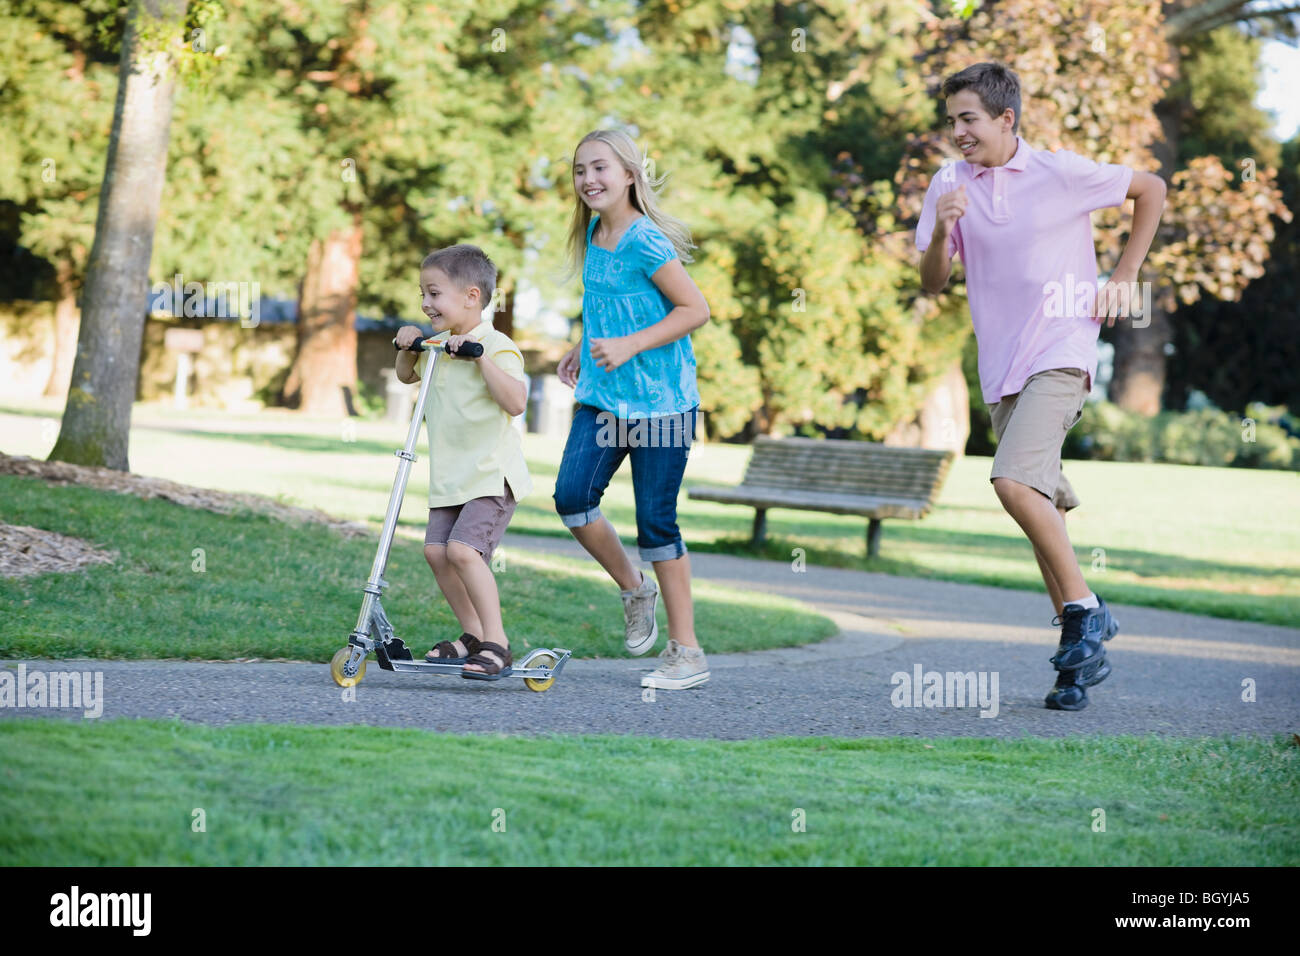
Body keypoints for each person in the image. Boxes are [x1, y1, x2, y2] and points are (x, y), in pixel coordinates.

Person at [916, 62, 1166, 711]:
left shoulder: (1061, 172)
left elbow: (1151, 188)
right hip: (1002, 366)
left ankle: (1085, 610)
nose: (958, 132)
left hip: (1062, 346)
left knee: (1010, 482)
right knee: (1040, 512)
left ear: (1006, 118)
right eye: (951, 121)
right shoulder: (949, 182)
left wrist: (1125, 274)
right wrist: (944, 228)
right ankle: (1076, 666)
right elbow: (933, 282)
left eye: (968, 119)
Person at [554, 128, 712, 690]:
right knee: (572, 498)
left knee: (656, 523)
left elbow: (696, 309)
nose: (588, 179)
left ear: (628, 175)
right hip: (602, 398)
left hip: (662, 405)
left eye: (599, 168)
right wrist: (584, 343)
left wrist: (628, 345)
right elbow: (606, 305)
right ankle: (633, 586)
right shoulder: (595, 232)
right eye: (579, 170)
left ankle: (686, 652)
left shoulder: (646, 241)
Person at [394, 244, 533, 680]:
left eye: (434, 294)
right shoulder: (435, 345)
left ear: (471, 296)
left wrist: (478, 356)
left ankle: (498, 643)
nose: (425, 303)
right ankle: (472, 636)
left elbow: (515, 402)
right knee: (436, 552)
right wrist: (407, 343)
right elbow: (405, 374)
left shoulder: (496, 345)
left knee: (463, 550)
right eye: (423, 293)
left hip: (491, 476)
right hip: (451, 478)